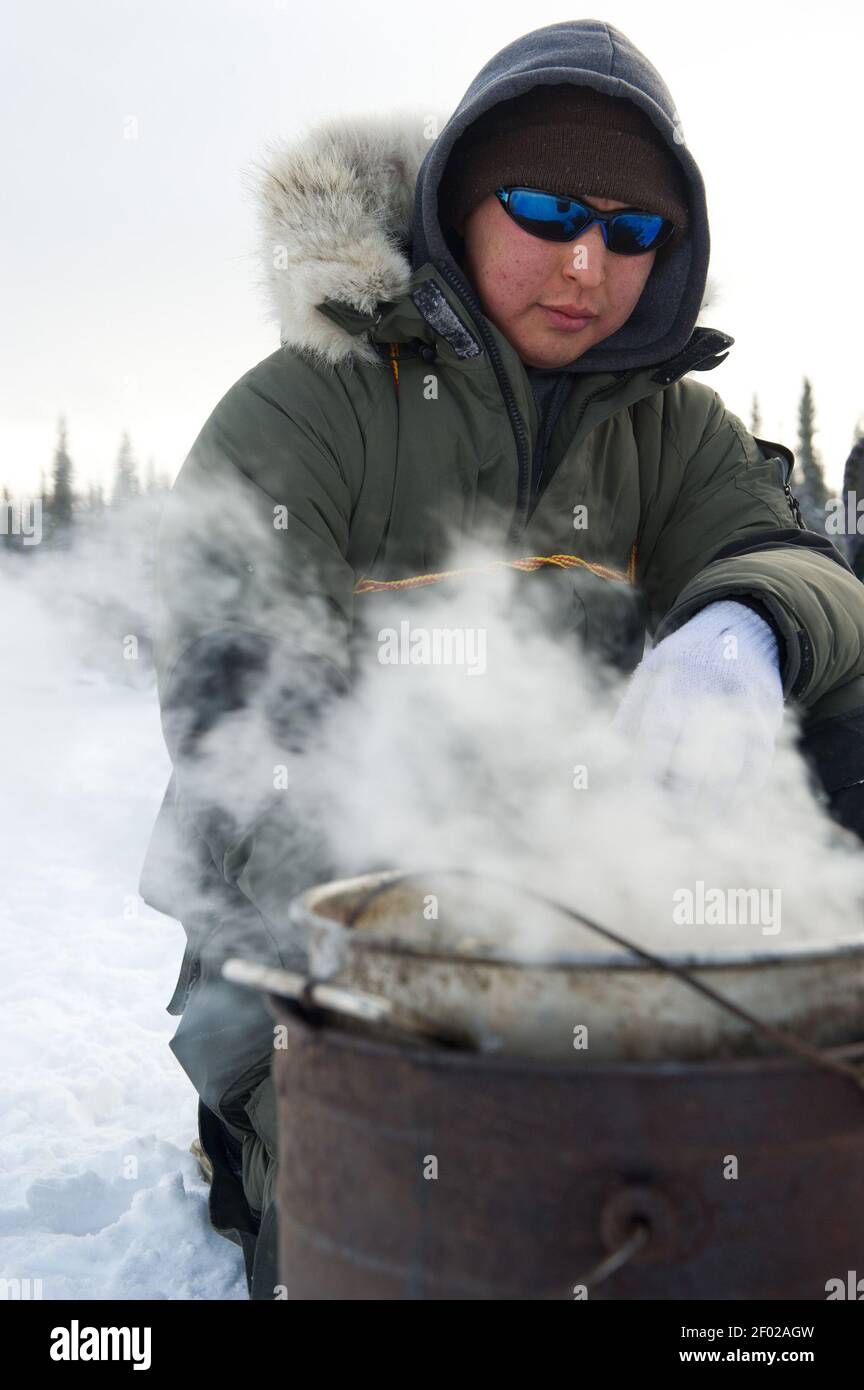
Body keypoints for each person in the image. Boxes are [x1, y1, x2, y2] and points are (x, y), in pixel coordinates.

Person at [139, 19, 864, 1298]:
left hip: (603, 945)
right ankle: (260, 1143)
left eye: (631, 231)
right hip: (327, 969)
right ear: (458, 204)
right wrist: (475, 942)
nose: (587, 263)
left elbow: (791, 563)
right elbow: (236, 709)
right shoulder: (312, 402)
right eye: (544, 208)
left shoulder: (676, 431)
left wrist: (745, 624)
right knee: (444, 1244)